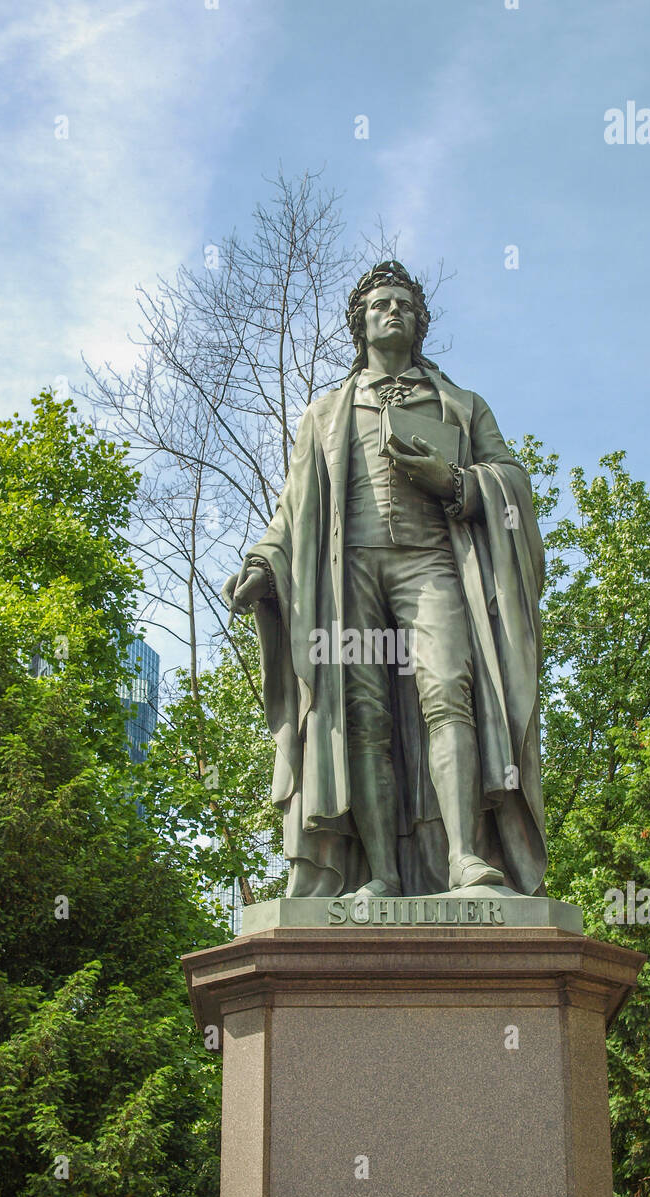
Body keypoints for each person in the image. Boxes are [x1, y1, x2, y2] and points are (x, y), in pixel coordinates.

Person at [222, 261, 546, 900]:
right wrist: (264, 565)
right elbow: (294, 508)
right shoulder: (326, 414)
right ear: (360, 323)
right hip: (351, 576)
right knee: (361, 716)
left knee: (448, 691)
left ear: (420, 323)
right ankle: (381, 874)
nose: (392, 311)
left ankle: (464, 861)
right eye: (379, 305)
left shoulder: (461, 405)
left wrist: (453, 484)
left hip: (432, 564)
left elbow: (513, 484)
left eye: (404, 304)